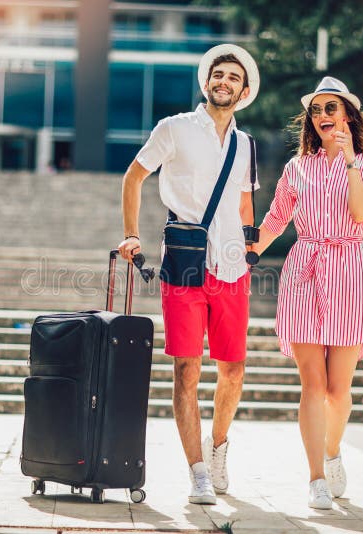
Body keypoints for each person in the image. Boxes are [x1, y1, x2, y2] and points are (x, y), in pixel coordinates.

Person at [117, 44, 260, 505]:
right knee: (185, 370)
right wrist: (131, 234)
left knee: (233, 370)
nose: (224, 82)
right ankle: (197, 471)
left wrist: (250, 244)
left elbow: (243, 203)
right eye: (218, 74)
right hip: (185, 261)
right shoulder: (174, 128)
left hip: (232, 267)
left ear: (244, 90)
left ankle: (219, 449)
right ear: (206, 82)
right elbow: (133, 177)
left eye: (233, 78)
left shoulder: (245, 144)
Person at [250, 76, 363, 509]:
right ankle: (315, 479)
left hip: (347, 270)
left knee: (337, 390)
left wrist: (348, 160)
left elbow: (360, 214)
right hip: (304, 270)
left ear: (348, 115)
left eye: (332, 108)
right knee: (313, 384)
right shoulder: (296, 168)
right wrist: (243, 252)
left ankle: (332, 451)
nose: (323, 115)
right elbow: (274, 220)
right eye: (317, 110)